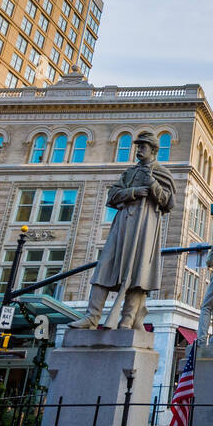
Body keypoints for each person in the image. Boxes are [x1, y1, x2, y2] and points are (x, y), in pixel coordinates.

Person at [68, 129, 174, 330]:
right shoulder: (129, 172)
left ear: (153, 150)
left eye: (142, 147)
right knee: (104, 267)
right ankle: (92, 316)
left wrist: (151, 184)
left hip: (145, 226)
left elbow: (168, 202)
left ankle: (128, 318)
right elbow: (113, 195)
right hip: (123, 223)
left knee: (138, 273)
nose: (138, 150)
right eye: (137, 146)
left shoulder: (161, 173)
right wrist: (133, 192)